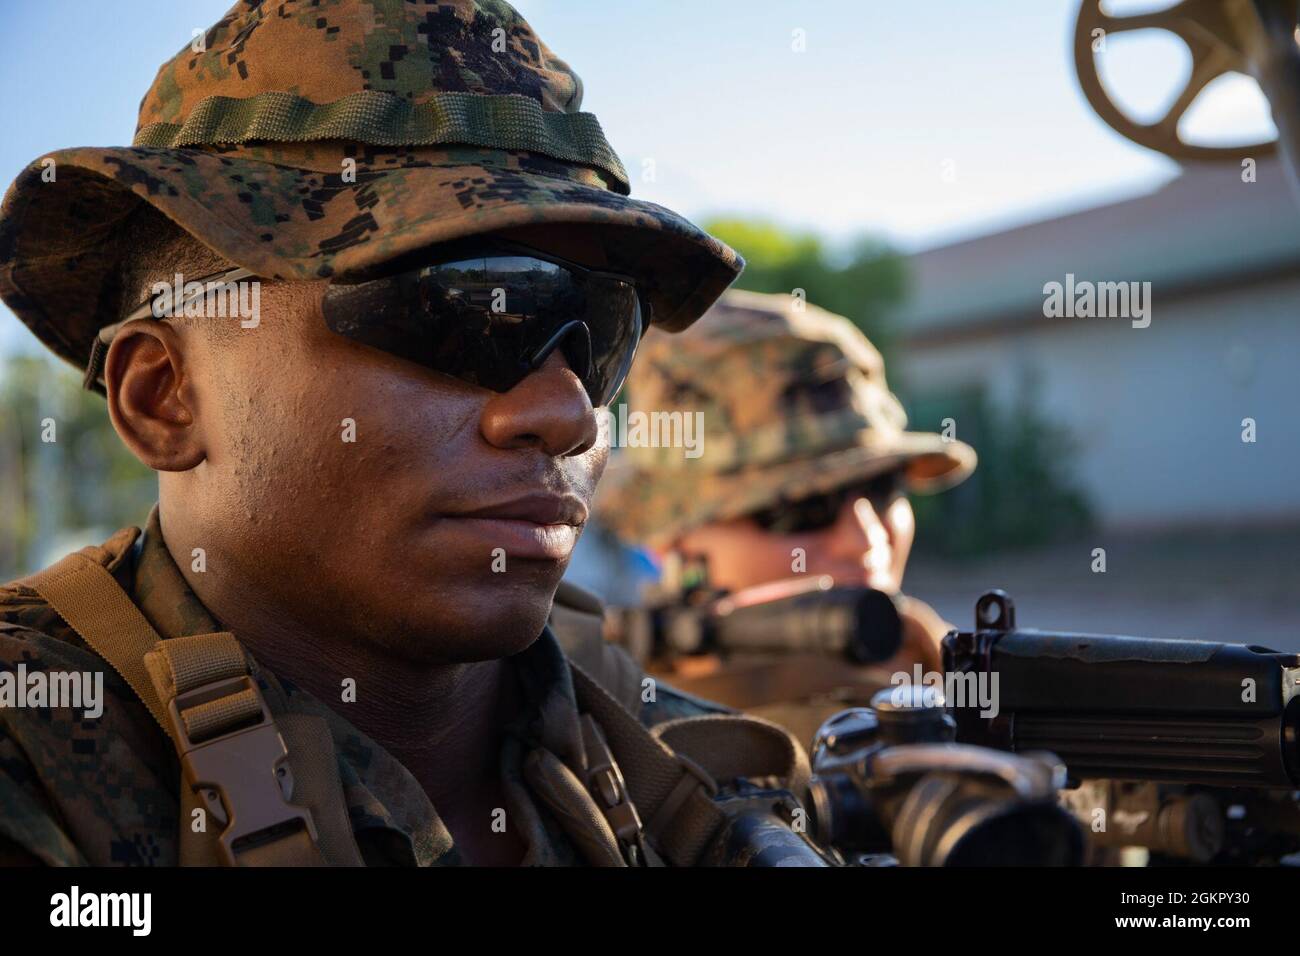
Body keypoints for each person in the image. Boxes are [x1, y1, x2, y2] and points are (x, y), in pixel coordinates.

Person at [0, 0, 822, 867]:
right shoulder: (36, 758)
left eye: (601, 331)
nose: (566, 413)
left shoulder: (698, 776)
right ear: (164, 397)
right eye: (457, 311)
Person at [595, 289, 977, 746]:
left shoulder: (964, 675)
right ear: (670, 538)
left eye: (883, 490)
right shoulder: (610, 734)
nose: (865, 538)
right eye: (803, 510)